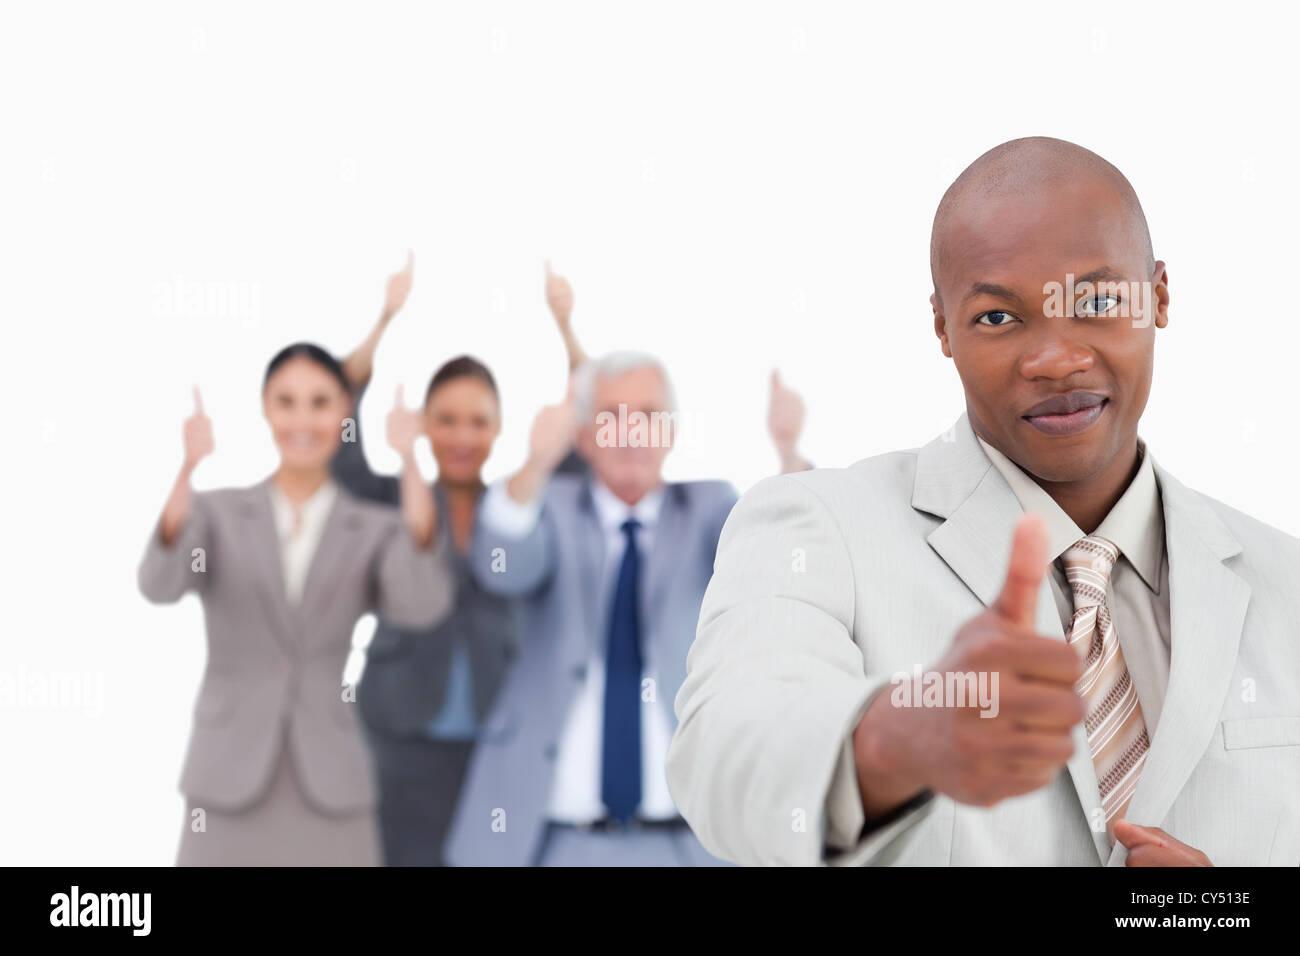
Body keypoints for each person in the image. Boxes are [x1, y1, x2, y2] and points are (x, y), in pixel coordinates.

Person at [666, 136, 1300, 867]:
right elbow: (722, 750)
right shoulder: (817, 528)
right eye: (998, 317)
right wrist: (898, 739)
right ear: (943, 327)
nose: (1056, 359)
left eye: (1098, 301)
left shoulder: (1286, 581)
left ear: (1158, 296)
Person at [444, 350, 813, 866]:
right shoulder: (549, 506)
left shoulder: (709, 508)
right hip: (551, 842)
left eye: (648, 415)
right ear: (582, 436)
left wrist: (790, 455)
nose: (631, 432)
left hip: (693, 845)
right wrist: (535, 463)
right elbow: (500, 567)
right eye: (611, 416)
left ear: (671, 431)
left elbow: (781, 560)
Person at [138, 343, 454, 866]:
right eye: (286, 402)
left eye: (320, 403)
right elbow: (160, 583)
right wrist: (187, 470)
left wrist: (409, 461)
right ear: (265, 407)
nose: (303, 420)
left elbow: (421, 601)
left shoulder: (372, 527)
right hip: (226, 771)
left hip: (331, 778)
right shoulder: (217, 514)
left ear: (345, 411)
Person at [332, 253, 519, 866]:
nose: (462, 436)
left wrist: (567, 332)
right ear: (422, 424)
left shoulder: (521, 507)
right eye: (447, 420)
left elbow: (585, 438)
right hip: (399, 731)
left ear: (499, 428)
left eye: (478, 422)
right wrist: (384, 320)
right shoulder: (391, 498)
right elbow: (338, 436)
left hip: (497, 734)